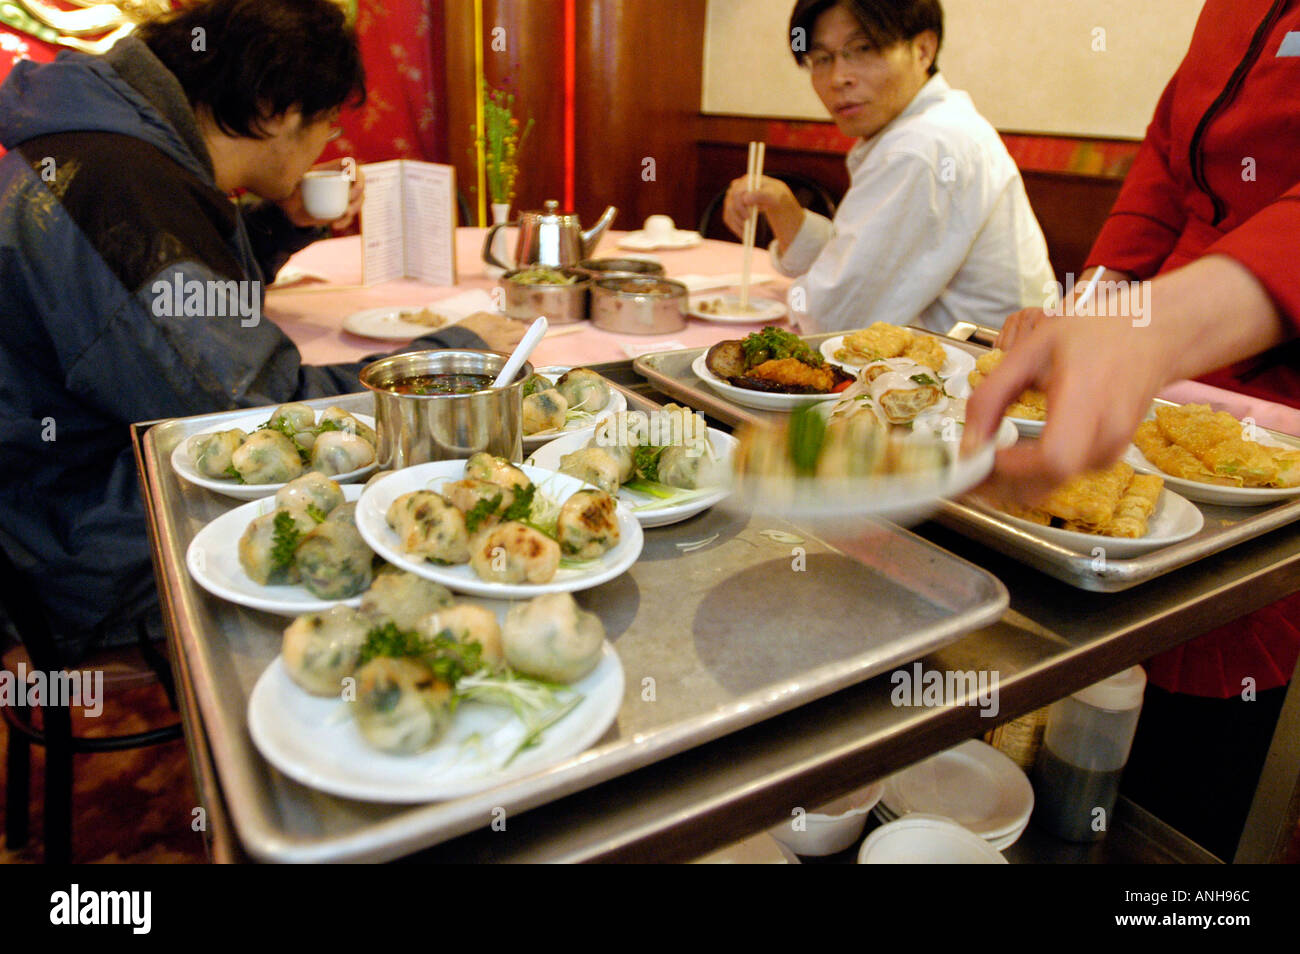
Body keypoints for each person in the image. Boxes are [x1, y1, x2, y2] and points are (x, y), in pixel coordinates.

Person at [0, 0, 522, 662]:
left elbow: (175, 315)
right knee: (414, 513)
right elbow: (255, 417)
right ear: (275, 108)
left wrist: (282, 227)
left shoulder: (106, 144)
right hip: (81, 541)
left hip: (51, 502)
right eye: (327, 126)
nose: (329, 147)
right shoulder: (117, 192)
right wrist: (452, 359)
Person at [964, 0, 1300, 860]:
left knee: (1209, 689)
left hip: (1265, 387)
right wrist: (1098, 308)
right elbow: (1166, 158)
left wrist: (1161, 326)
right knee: (1089, 643)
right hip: (1165, 355)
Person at [723, 0, 1053, 335]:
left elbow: (834, 321)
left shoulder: (923, 146)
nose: (838, 78)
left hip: (979, 373)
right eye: (822, 58)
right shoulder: (923, 128)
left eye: (863, 48)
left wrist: (803, 301)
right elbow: (857, 266)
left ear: (923, 50)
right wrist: (785, 210)